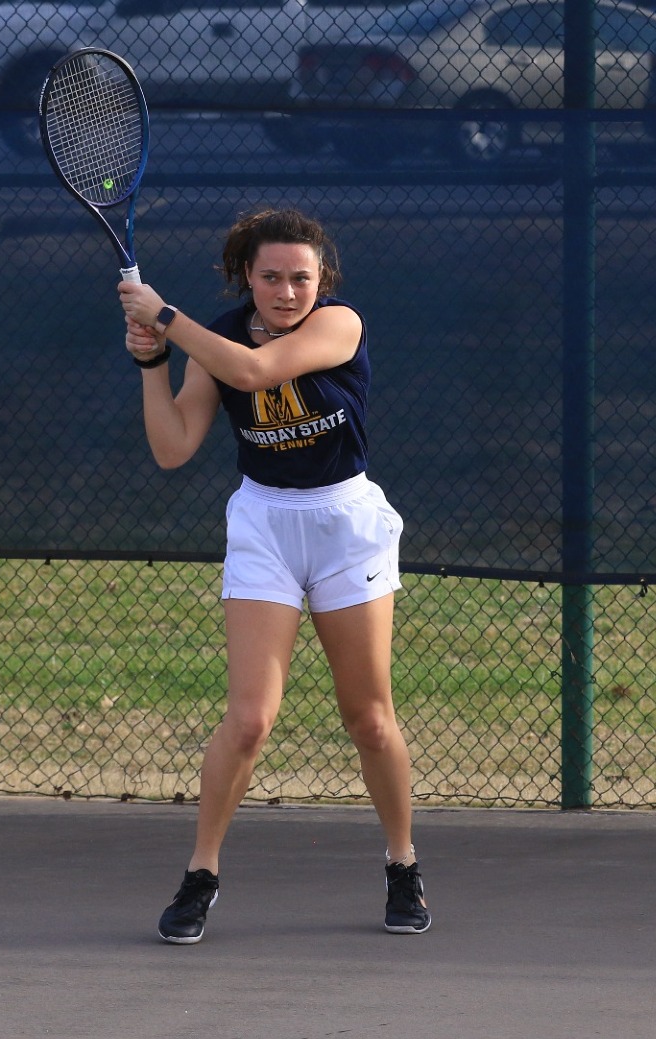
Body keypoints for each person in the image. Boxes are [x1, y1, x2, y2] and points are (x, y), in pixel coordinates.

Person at [115, 208, 430, 944]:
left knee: (369, 719)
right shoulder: (215, 342)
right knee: (251, 718)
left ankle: (403, 864)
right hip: (264, 526)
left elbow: (256, 371)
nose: (287, 292)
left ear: (322, 281)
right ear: (244, 277)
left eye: (301, 277)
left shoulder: (338, 325)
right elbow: (172, 446)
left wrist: (162, 314)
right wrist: (152, 362)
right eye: (271, 277)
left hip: (345, 525)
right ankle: (201, 876)